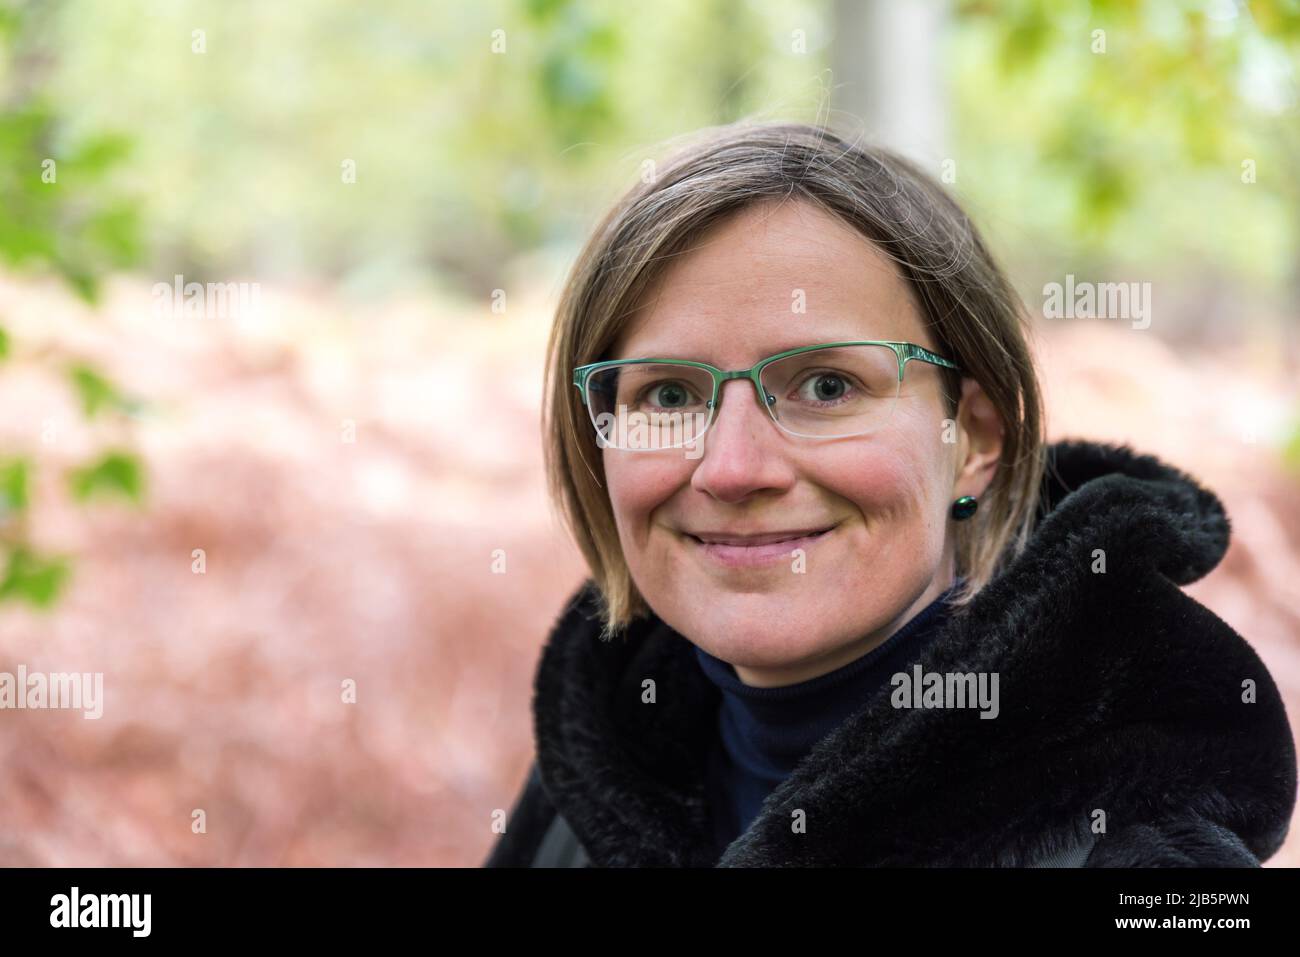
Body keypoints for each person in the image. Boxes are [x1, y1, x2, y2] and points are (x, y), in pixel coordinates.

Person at [483, 120, 1297, 867]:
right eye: (668, 395)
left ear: (975, 437)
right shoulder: (592, 775)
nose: (731, 467)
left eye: (827, 385)